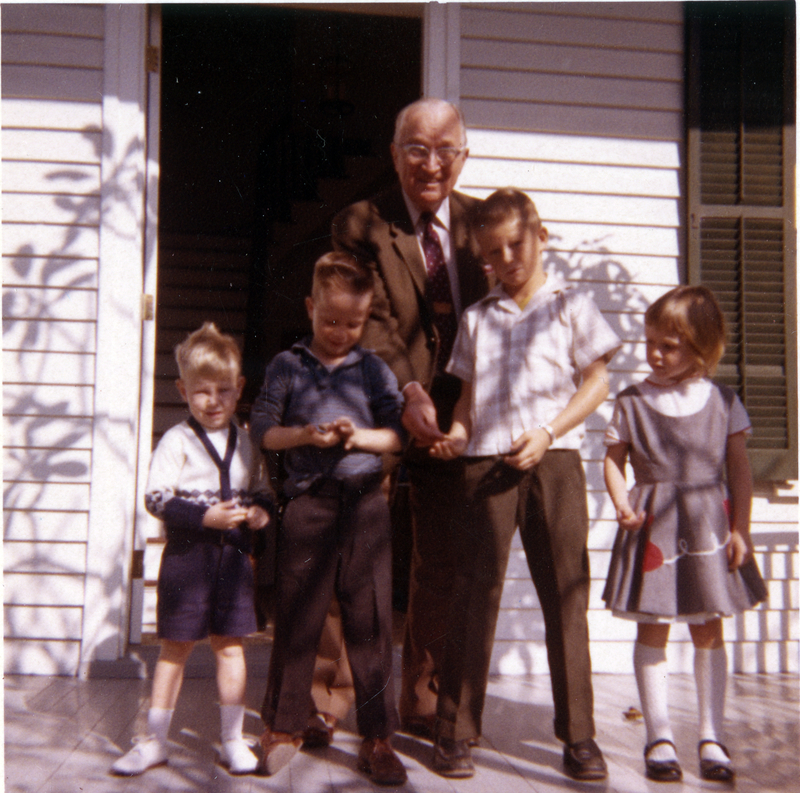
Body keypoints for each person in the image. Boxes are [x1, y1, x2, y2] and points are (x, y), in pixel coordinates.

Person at [429, 188, 619, 780]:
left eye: (516, 243)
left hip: (554, 459)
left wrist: (547, 428)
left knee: (565, 593)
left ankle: (579, 737)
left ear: (540, 236)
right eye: (491, 253)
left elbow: (597, 383)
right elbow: (465, 400)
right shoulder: (477, 319)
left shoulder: (570, 306)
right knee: (473, 592)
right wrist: (456, 436)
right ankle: (456, 730)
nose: (507, 258)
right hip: (485, 466)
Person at [331, 97, 489, 741]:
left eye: (445, 149)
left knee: (443, 560)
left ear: (463, 157)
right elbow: (368, 317)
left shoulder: (486, 222)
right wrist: (410, 390)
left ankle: (422, 699)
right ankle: (330, 698)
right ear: (395, 155)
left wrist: (466, 411)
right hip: (380, 402)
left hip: (460, 416)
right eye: (416, 149)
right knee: (355, 545)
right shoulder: (362, 222)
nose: (432, 163)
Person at [249, 252, 407, 786]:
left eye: (353, 323)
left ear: (366, 319)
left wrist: (356, 437)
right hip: (309, 504)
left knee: (371, 621)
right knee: (299, 616)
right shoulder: (288, 366)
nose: (340, 332)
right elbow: (263, 429)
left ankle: (378, 737)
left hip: (364, 504)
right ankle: (283, 726)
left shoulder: (373, 370)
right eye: (330, 321)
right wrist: (304, 436)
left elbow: (396, 436)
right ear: (311, 308)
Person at [602, 285, 767, 783]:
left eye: (668, 345)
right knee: (653, 625)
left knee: (708, 628)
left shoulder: (723, 401)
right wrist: (620, 501)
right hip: (654, 525)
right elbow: (613, 461)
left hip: (707, 527)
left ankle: (712, 736)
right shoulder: (632, 401)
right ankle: (659, 736)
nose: (654, 353)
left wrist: (741, 528)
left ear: (702, 347)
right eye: (650, 341)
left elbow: (739, 471)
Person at [111, 323, 273, 777]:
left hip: (235, 560)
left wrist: (260, 513)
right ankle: (154, 741)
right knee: (175, 647)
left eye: (224, 390)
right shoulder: (176, 441)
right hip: (188, 559)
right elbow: (157, 497)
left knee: (230, 647)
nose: (214, 400)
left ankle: (230, 740)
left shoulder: (247, 442)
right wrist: (204, 518)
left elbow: (261, 492)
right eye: (202, 391)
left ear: (240, 388)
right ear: (183, 390)